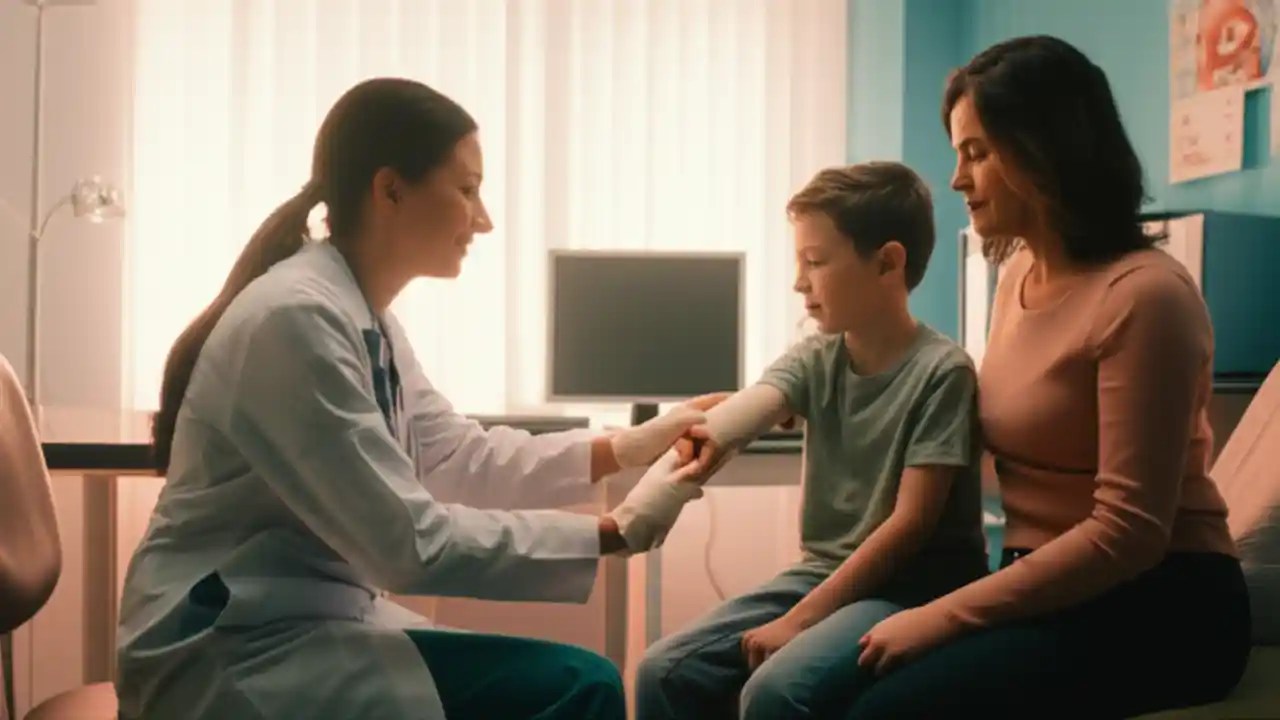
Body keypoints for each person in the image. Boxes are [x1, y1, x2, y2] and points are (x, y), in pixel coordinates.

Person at [114, 77, 715, 720]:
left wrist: (629, 447)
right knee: (583, 684)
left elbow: (455, 454)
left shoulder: (360, 314)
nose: (482, 220)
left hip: (300, 618)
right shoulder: (295, 319)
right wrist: (613, 532)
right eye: (467, 190)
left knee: (566, 678)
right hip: (227, 645)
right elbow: (408, 545)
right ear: (391, 188)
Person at [848, 35, 1253, 719]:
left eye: (976, 152)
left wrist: (945, 615)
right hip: (1048, 582)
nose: (956, 179)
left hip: (1163, 602)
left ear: (1045, 150)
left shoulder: (1145, 296)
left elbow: (1128, 533)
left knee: (890, 710)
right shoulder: (1013, 280)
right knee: (834, 686)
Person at [634, 161, 989, 720]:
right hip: (823, 571)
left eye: (815, 262)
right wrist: (701, 443)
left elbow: (909, 525)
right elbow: (750, 409)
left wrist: (800, 619)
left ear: (888, 263)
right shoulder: (816, 357)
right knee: (664, 671)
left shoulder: (943, 372)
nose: (800, 281)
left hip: (912, 586)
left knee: (775, 692)